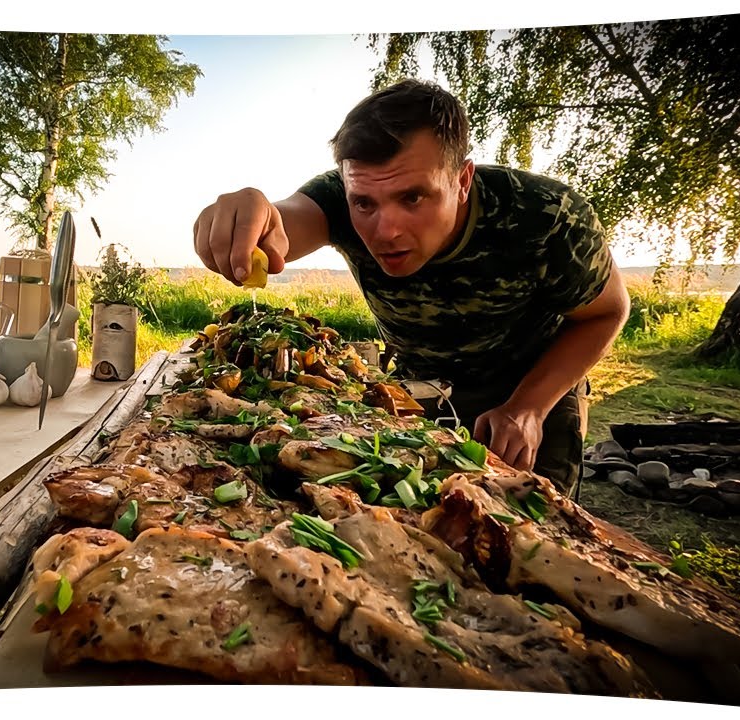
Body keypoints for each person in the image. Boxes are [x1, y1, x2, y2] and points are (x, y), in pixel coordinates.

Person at [191, 79, 630, 493]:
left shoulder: (546, 216)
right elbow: (283, 225)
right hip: (417, 390)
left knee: (534, 527)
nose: (386, 231)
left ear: (462, 181)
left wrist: (528, 407)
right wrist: (256, 216)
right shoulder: (341, 196)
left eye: (413, 197)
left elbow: (607, 312)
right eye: (364, 203)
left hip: (534, 390)